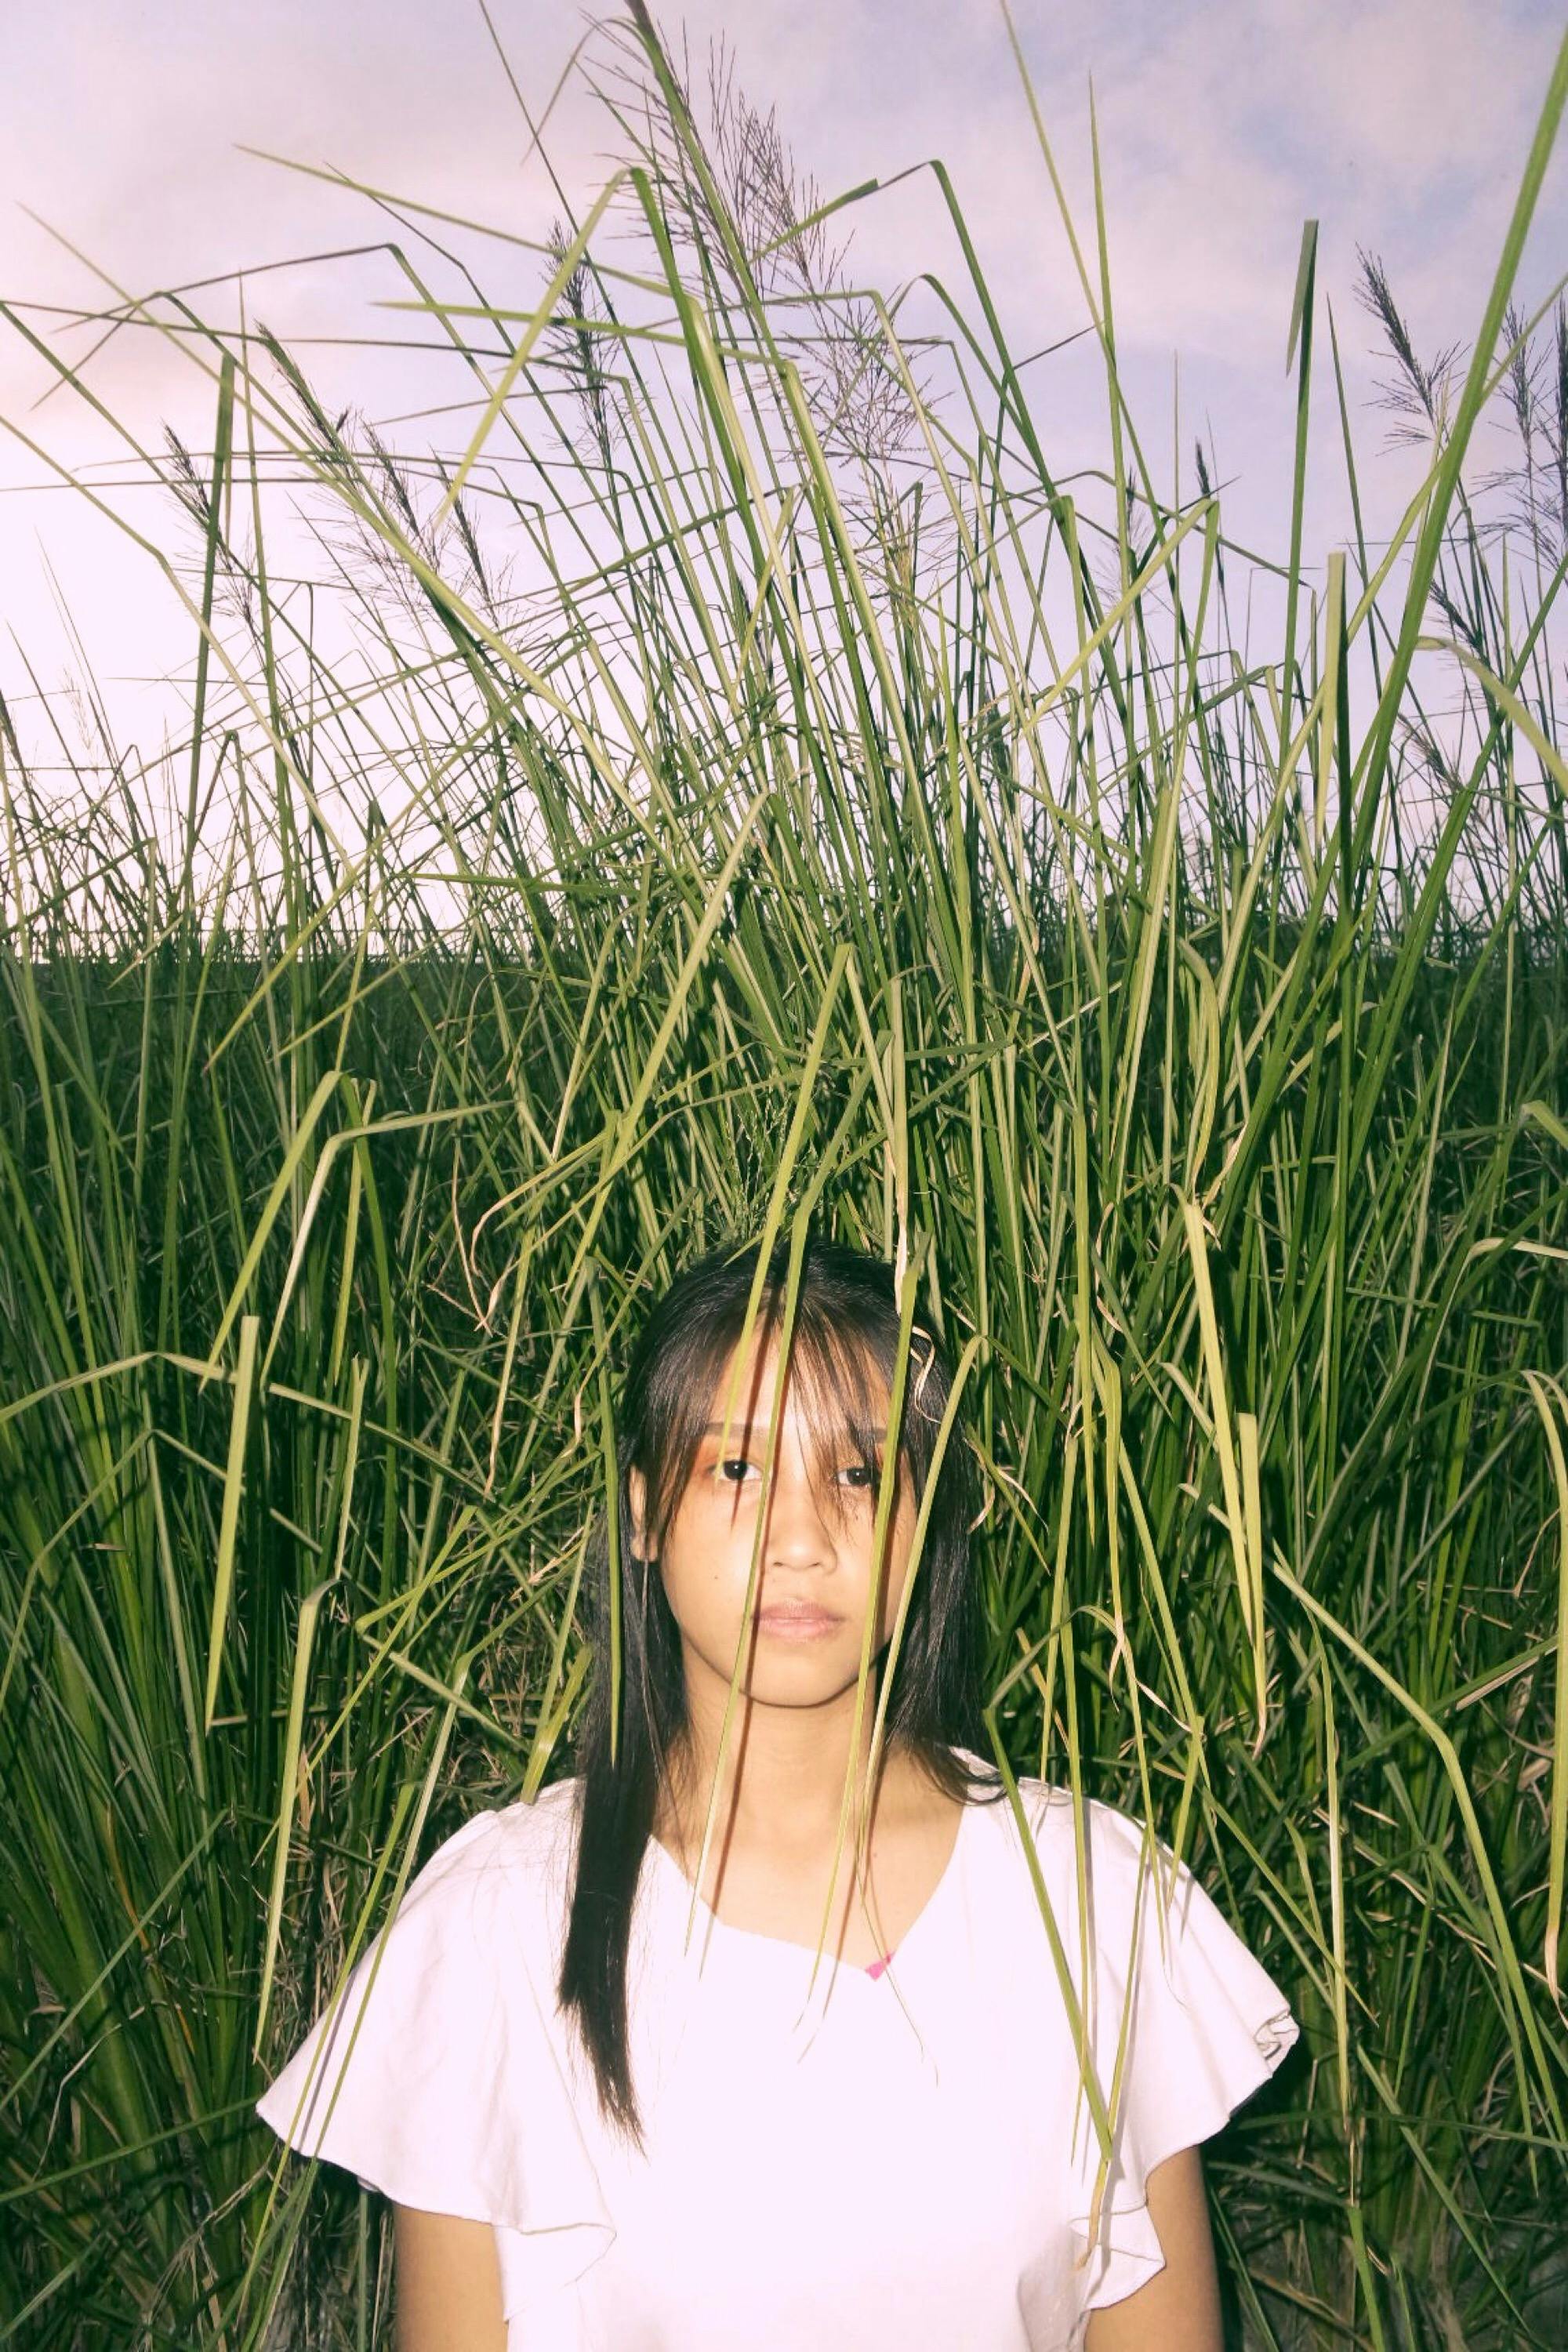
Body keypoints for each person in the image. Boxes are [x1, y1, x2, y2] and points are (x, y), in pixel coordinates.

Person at [256, 1232, 1298, 2350]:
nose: (801, 1540)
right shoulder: (500, 1924)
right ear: (646, 1513)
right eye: (737, 1470)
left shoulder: (1088, 1899)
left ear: (922, 1519)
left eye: (858, 1472)